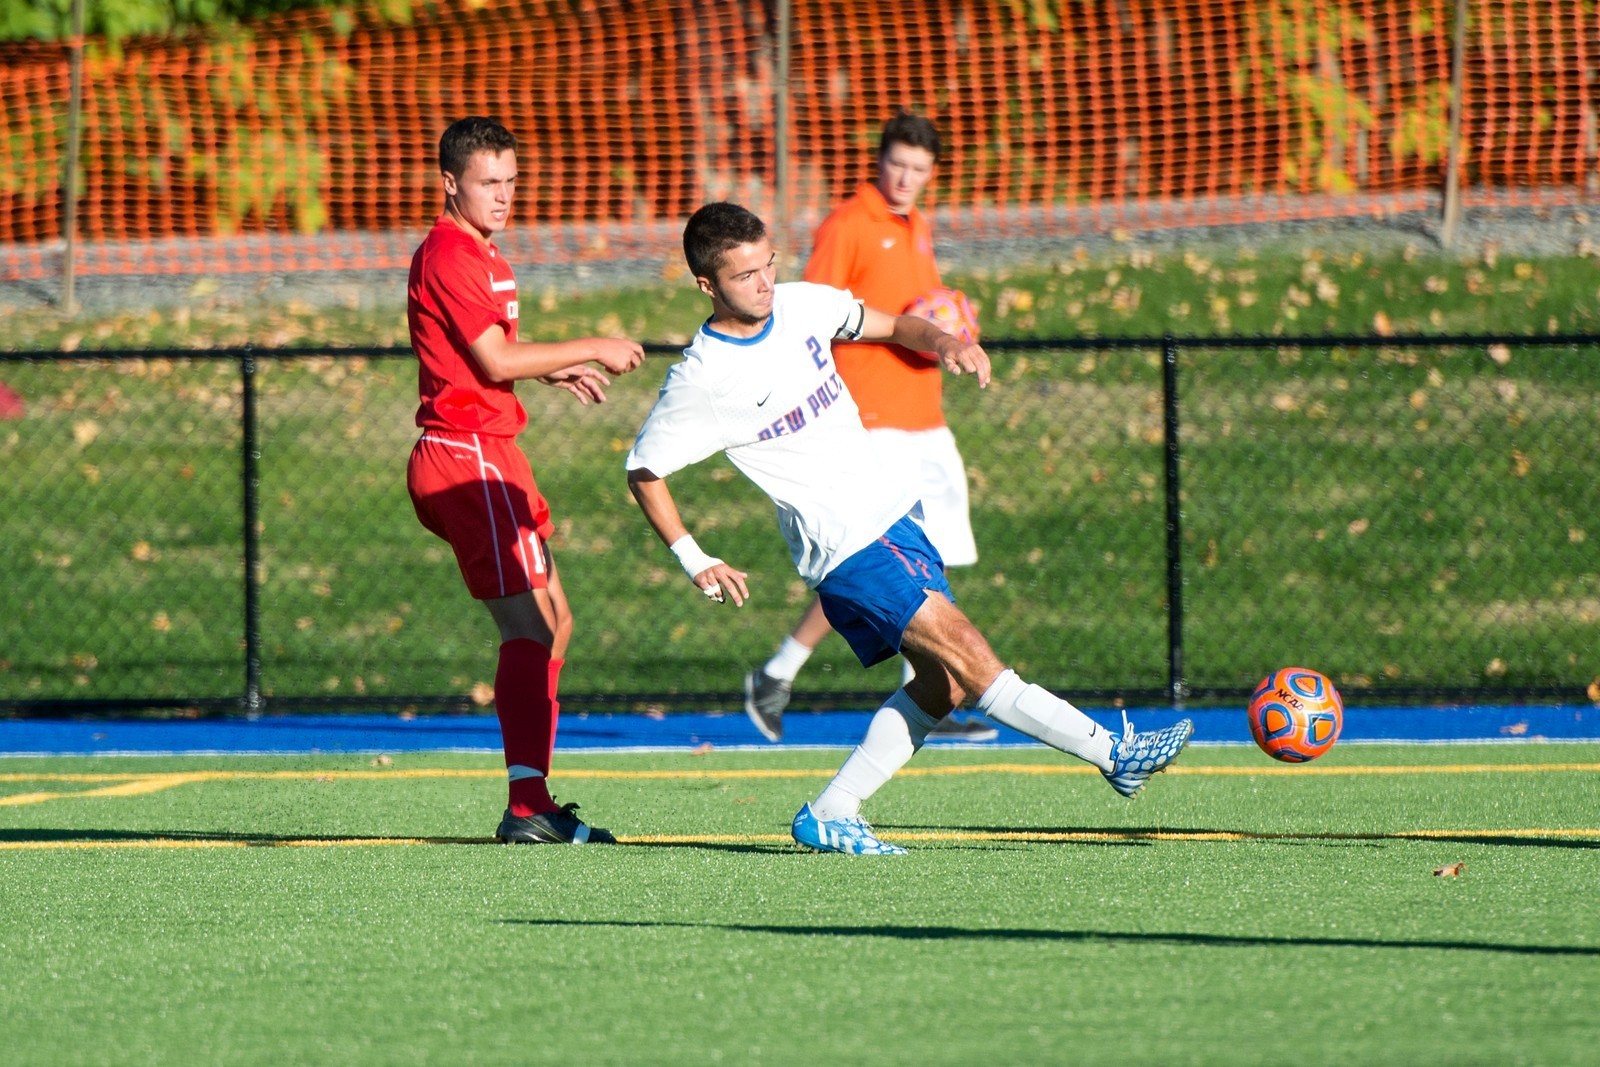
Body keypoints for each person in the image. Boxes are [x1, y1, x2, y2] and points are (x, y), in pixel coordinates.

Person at [626, 203, 1193, 855]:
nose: (764, 283)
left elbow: (895, 325)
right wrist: (695, 557)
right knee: (972, 657)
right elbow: (643, 468)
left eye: (769, 263)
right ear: (707, 284)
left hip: (895, 517)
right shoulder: (701, 378)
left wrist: (946, 341)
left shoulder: (804, 304)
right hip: (847, 547)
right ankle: (1114, 752)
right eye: (745, 274)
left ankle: (833, 808)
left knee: (943, 683)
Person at [406, 116, 644, 845]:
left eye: (511, 181)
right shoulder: (449, 252)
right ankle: (525, 805)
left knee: (557, 621)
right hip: (465, 456)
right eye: (489, 183)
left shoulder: (484, 251)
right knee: (530, 627)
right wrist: (593, 345)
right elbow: (494, 363)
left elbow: (497, 354)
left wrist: (555, 364)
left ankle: (532, 791)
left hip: (494, 452)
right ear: (451, 182)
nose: (504, 195)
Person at [743, 112, 998, 742]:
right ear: (878, 162)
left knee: (924, 565)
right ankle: (919, 694)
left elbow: (915, 311)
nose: (906, 178)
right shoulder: (850, 224)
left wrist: (947, 320)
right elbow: (816, 315)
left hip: (924, 416)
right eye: (897, 165)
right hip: (871, 418)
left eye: (919, 170)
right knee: (882, 564)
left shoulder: (917, 226)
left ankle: (800, 677)